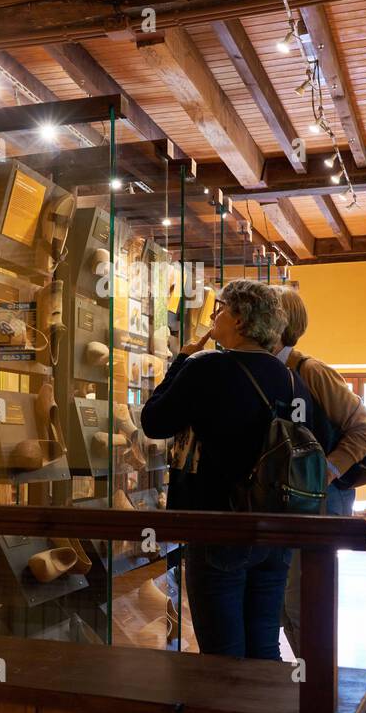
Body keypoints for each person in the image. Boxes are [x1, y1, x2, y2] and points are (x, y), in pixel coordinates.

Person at [140, 279, 334, 660]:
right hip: (276, 530)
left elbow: (153, 421)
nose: (214, 317)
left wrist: (181, 359)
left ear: (241, 318)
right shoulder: (292, 379)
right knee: (262, 646)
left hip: (218, 528)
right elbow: (319, 441)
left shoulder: (208, 368)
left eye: (221, 308)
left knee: (223, 654)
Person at [271, 286, 366, 655]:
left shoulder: (311, 370)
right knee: (286, 600)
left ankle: (317, 689)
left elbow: (365, 427)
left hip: (320, 501)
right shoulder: (271, 370)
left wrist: (327, 471)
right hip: (289, 502)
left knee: (303, 599)